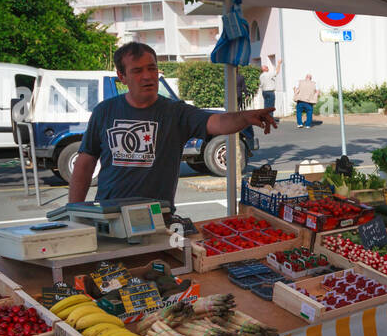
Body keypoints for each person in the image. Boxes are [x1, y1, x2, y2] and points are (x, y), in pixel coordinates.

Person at [69, 42, 277, 211]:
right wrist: (74, 210)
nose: (147, 76)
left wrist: (244, 117)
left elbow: (216, 122)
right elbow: (84, 164)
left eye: (152, 68)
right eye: (137, 70)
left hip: (159, 217)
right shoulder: (104, 111)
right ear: (121, 76)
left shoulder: (175, 112)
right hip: (109, 215)